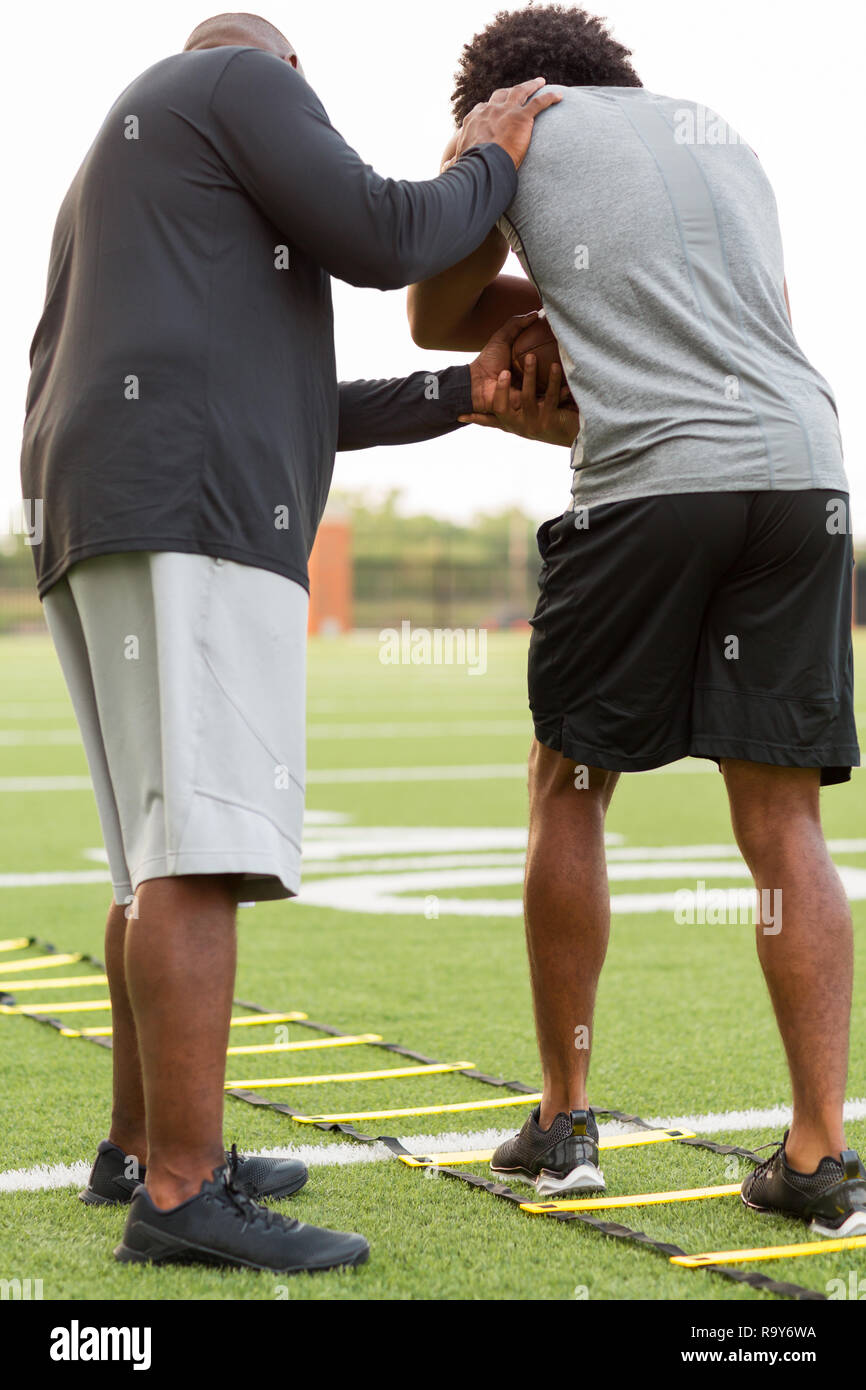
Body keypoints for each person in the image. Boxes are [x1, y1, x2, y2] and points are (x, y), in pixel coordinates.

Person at [19, 9, 560, 1273]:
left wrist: (460, 394)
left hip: (100, 505)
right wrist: (490, 156)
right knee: (202, 852)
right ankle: (186, 1192)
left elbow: (284, 394)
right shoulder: (239, 83)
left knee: (148, 858)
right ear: (287, 78)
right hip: (192, 507)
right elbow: (386, 235)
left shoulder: (120, 174)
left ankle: (142, 1145)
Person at [408, 3, 865, 1237]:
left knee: (568, 783)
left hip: (654, 480)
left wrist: (489, 175)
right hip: (803, 470)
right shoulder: (722, 139)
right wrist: (568, 300)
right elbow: (748, 306)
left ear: (500, 90)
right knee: (783, 822)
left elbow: (429, 312)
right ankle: (818, 1153)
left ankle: (564, 1120)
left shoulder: (510, 127)